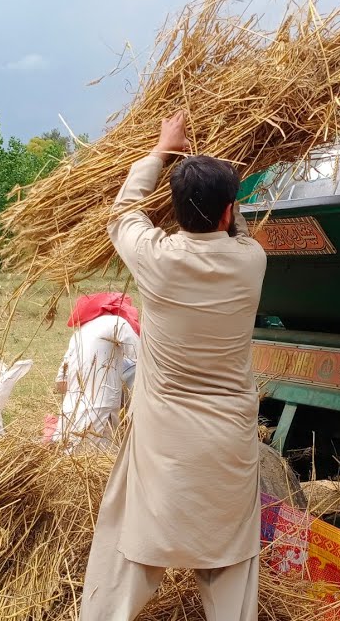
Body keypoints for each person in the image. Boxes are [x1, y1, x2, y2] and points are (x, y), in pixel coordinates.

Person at [79, 111, 267, 621]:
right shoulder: (251, 262)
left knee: (130, 542)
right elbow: (237, 229)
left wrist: (162, 151)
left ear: (175, 210)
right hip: (228, 442)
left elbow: (124, 210)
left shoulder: (155, 258)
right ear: (229, 212)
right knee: (231, 563)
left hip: (163, 443)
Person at [51, 292, 141, 450]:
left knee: (67, 457)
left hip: (68, 416)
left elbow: (61, 383)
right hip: (100, 411)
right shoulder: (117, 322)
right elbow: (142, 357)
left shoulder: (79, 333)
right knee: (103, 462)